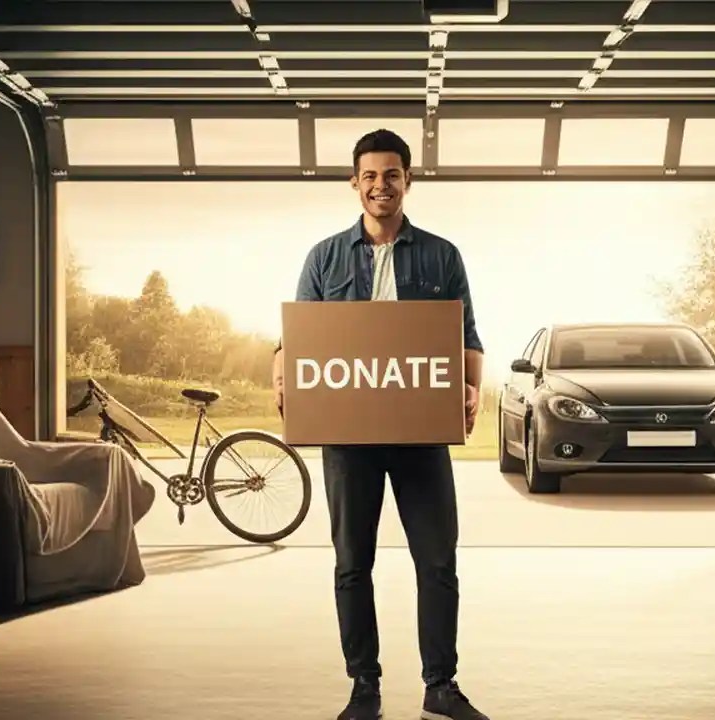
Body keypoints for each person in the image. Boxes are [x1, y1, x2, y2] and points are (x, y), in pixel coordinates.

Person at [271, 129, 490, 720]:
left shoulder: (442, 256)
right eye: (369, 175)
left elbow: (467, 337)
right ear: (355, 183)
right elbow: (296, 339)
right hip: (349, 439)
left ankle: (440, 687)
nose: (380, 185)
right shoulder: (324, 258)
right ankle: (363, 687)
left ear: (407, 180)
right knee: (352, 564)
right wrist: (282, 374)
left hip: (421, 434)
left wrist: (471, 387)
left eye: (391, 175)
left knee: (437, 562)